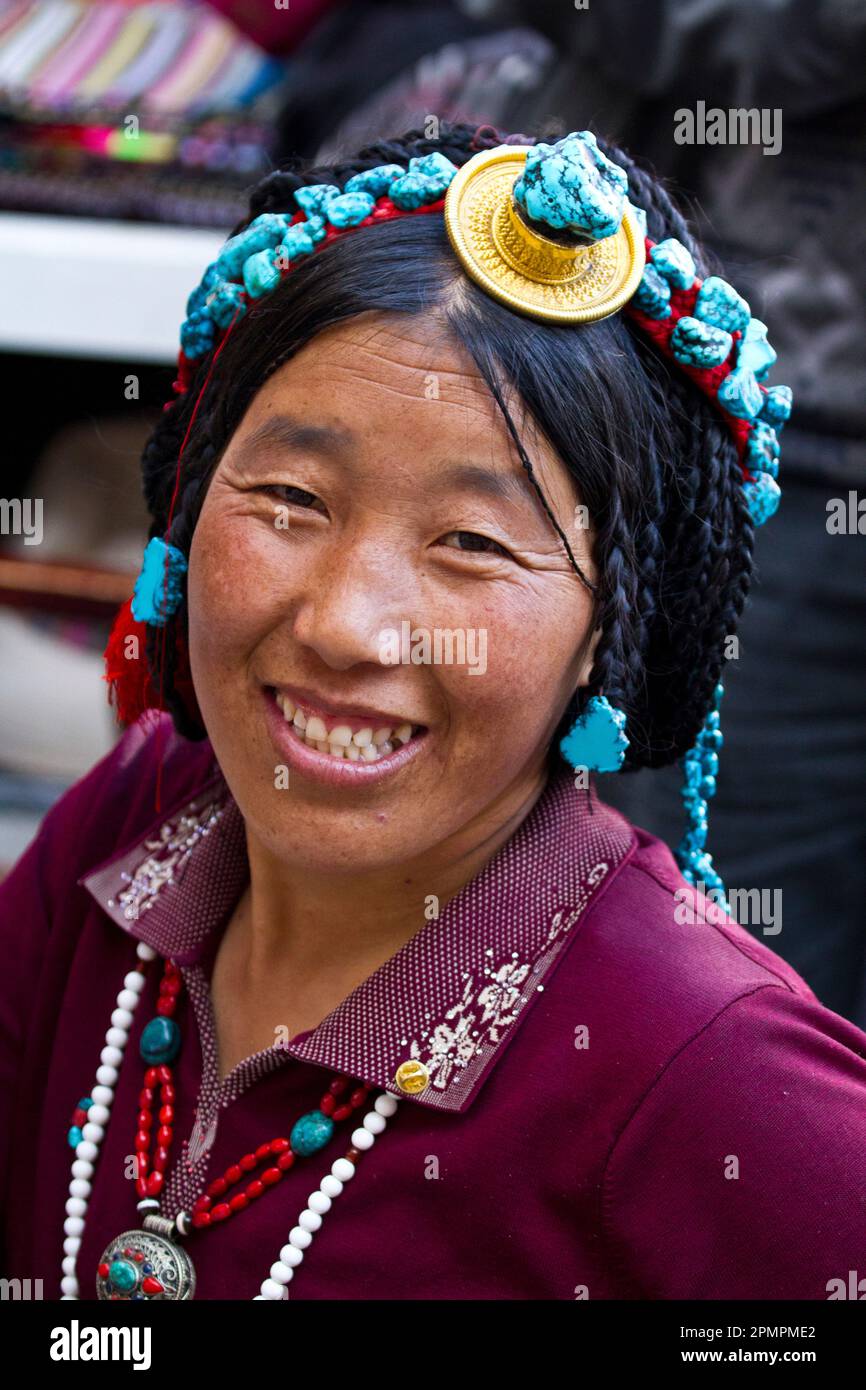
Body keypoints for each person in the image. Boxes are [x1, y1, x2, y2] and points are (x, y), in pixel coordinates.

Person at [1, 122, 865, 1302]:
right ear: (188, 505)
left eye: (469, 541)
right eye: (292, 497)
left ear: (610, 633)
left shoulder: (718, 1080)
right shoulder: (136, 827)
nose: (347, 626)